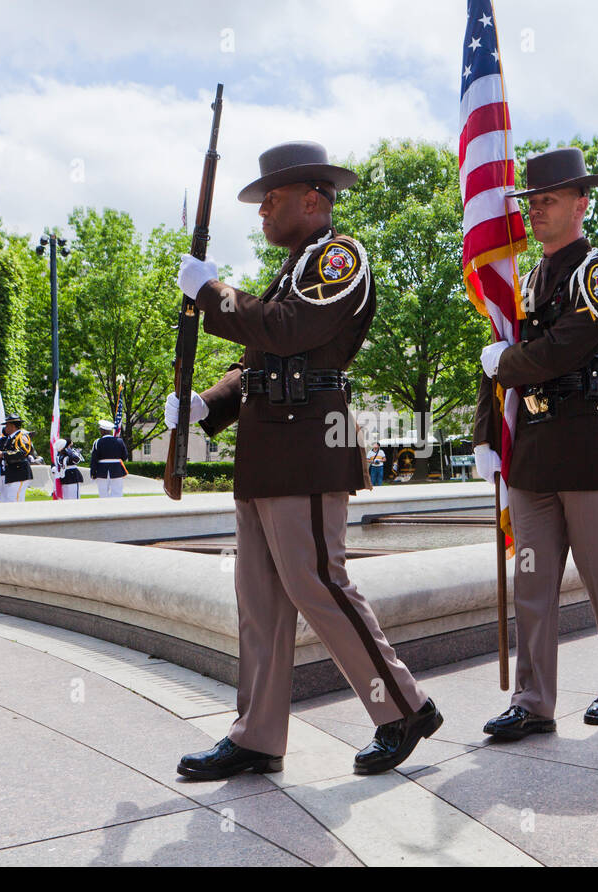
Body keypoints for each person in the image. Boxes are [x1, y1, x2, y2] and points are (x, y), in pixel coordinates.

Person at [168, 140, 440, 779]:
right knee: (259, 599)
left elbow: (285, 329)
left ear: (313, 200)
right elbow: (263, 360)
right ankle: (258, 734)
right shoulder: (293, 266)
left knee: (319, 583)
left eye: (273, 200)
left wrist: (213, 293)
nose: (262, 212)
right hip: (269, 449)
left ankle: (403, 706)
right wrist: (207, 405)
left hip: (310, 445)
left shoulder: (339, 258)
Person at [473, 147, 598, 738]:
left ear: (582, 202)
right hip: (535, 449)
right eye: (532, 201)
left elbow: (563, 348)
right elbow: (496, 361)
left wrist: (509, 362)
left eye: (548, 200)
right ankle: (533, 701)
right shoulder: (523, 281)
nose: (537, 211)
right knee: (532, 577)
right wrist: (485, 437)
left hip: (592, 441)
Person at [0, 414, 33, 502]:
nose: (5, 428)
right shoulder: (10, 438)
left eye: (7, 425)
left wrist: (2, 454)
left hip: (19, 473)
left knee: (15, 500)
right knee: (9, 499)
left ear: (12, 426)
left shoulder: (21, 436)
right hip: (12, 473)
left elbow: (22, 452)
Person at [90, 420, 128, 498]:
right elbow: (125, 456)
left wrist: (93, 472)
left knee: (103, 493)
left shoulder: (97, 442)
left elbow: (94, 459)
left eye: (100, 430)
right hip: (117, 469)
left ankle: (105, 509)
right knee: (117, 492)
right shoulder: (119, 441)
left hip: (102, 470)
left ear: (103, 431)